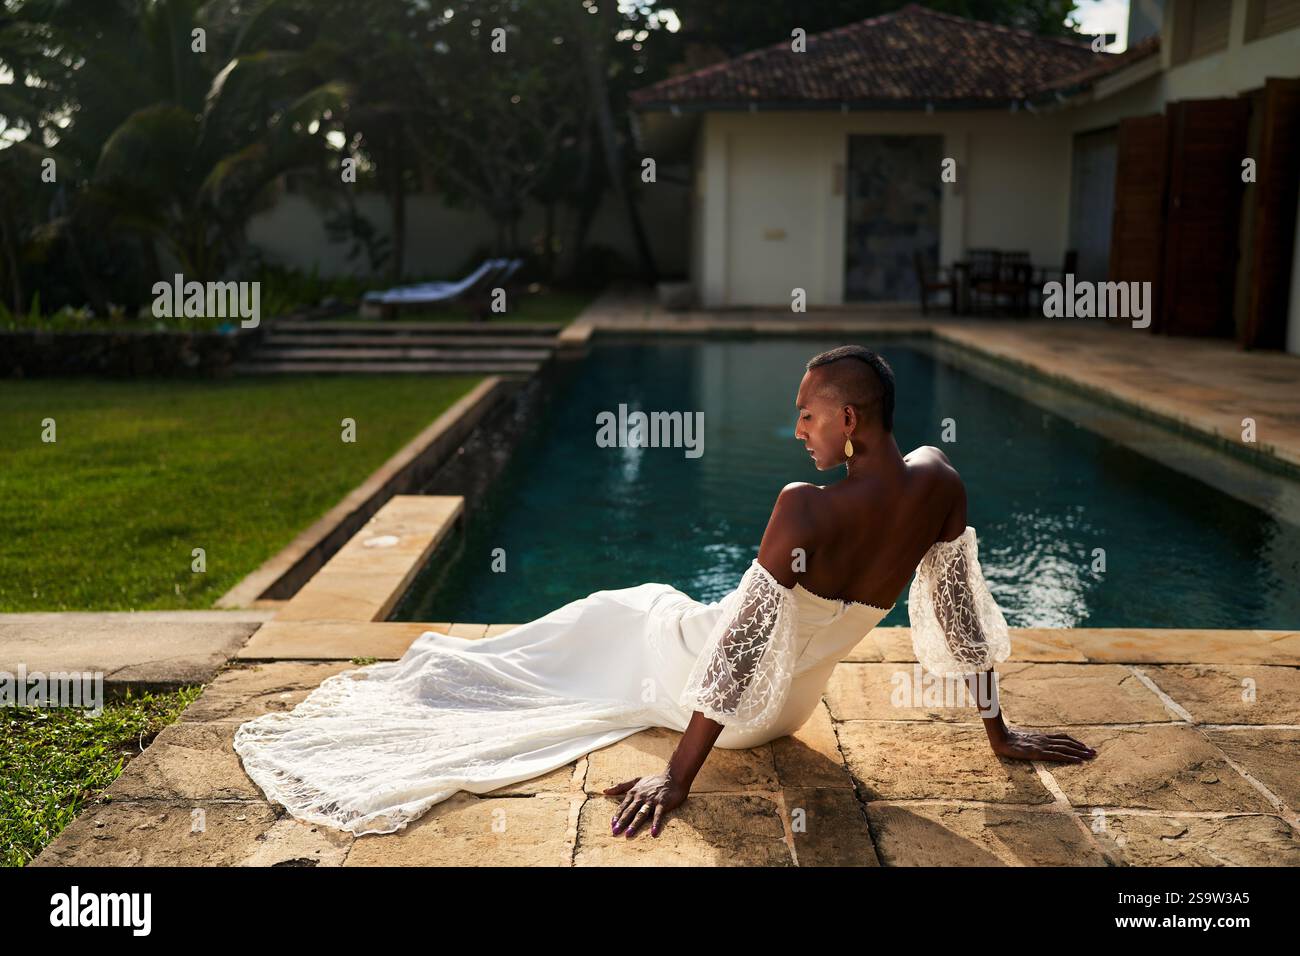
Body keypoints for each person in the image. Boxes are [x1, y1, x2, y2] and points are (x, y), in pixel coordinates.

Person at [232, 344, 1096, 840]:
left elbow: (738, 646)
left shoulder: (806, 508)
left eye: (807, 413)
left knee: (627, 608)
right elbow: (958, 614)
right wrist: (1000, 734)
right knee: (643, 609)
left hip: (725, 705)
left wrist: (679, 778)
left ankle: (487, 669)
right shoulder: (940, 482)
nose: (797, 428)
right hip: (786, 713)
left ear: (849, 420)